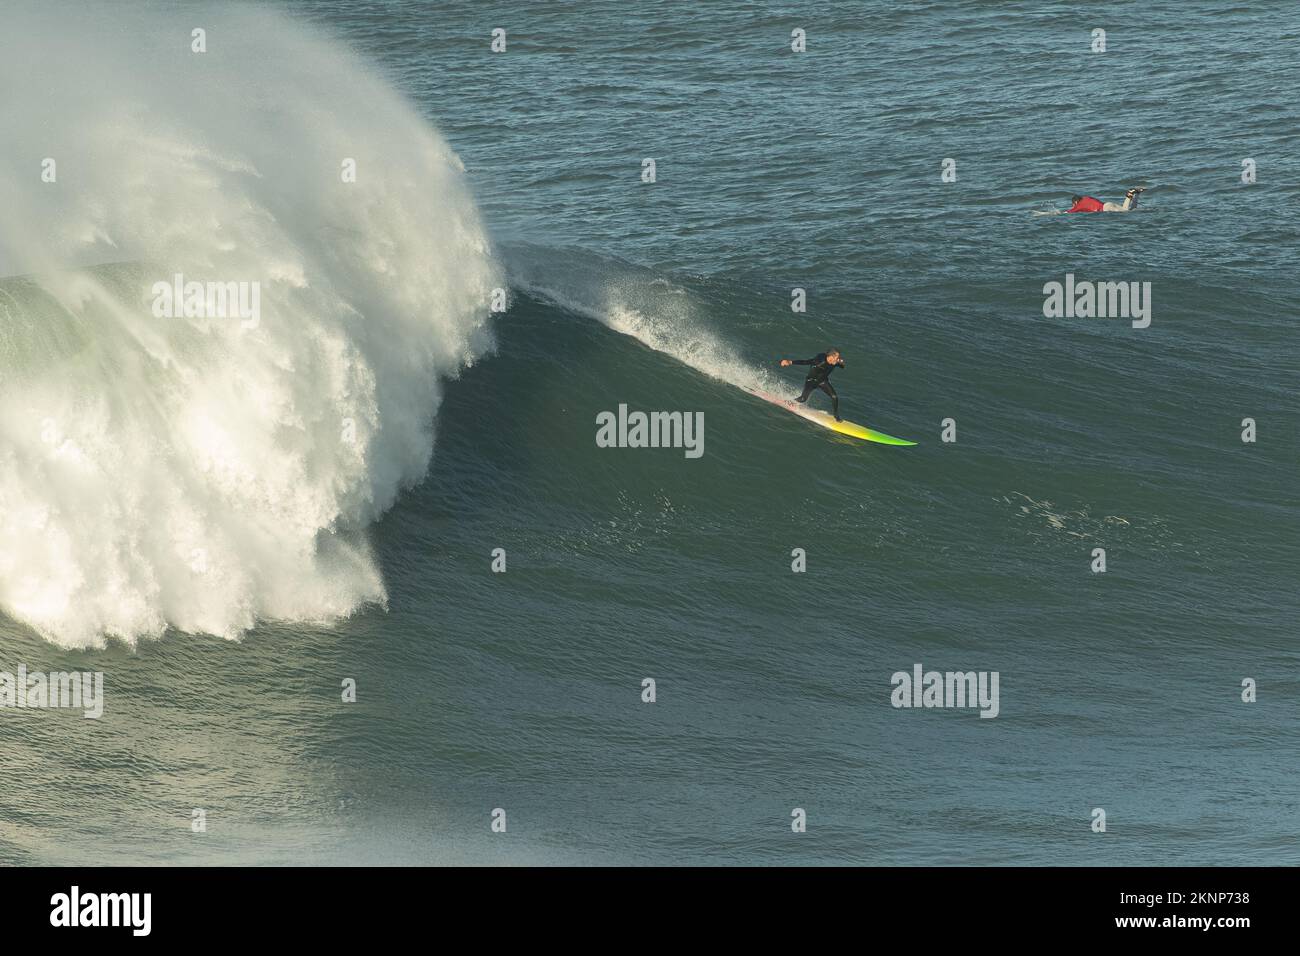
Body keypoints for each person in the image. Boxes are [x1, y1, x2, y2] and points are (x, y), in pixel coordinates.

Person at [780, 349, 846, 421]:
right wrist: (790, 362)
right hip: (811, 381)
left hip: (822, 381)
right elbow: (806, 362)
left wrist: (842, 364)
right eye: (837, 358)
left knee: (834, 397)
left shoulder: (835, 362)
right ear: (831, 357)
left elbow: (842, 366)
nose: (838, 359)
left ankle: (836, 416)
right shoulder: (820, 361)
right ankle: (788, 402)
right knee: (803, 399)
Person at [1066, 188, 1145, 213]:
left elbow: (1070, 211)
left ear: (1075, 202)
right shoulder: (1086, 198)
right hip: (1107, 204)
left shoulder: (1079, 205)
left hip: (1105, 208)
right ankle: (1136, 194)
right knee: (1131, 210)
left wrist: (1058, 213)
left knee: (1125, 211)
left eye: (1073, 204)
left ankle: (1129, 194)